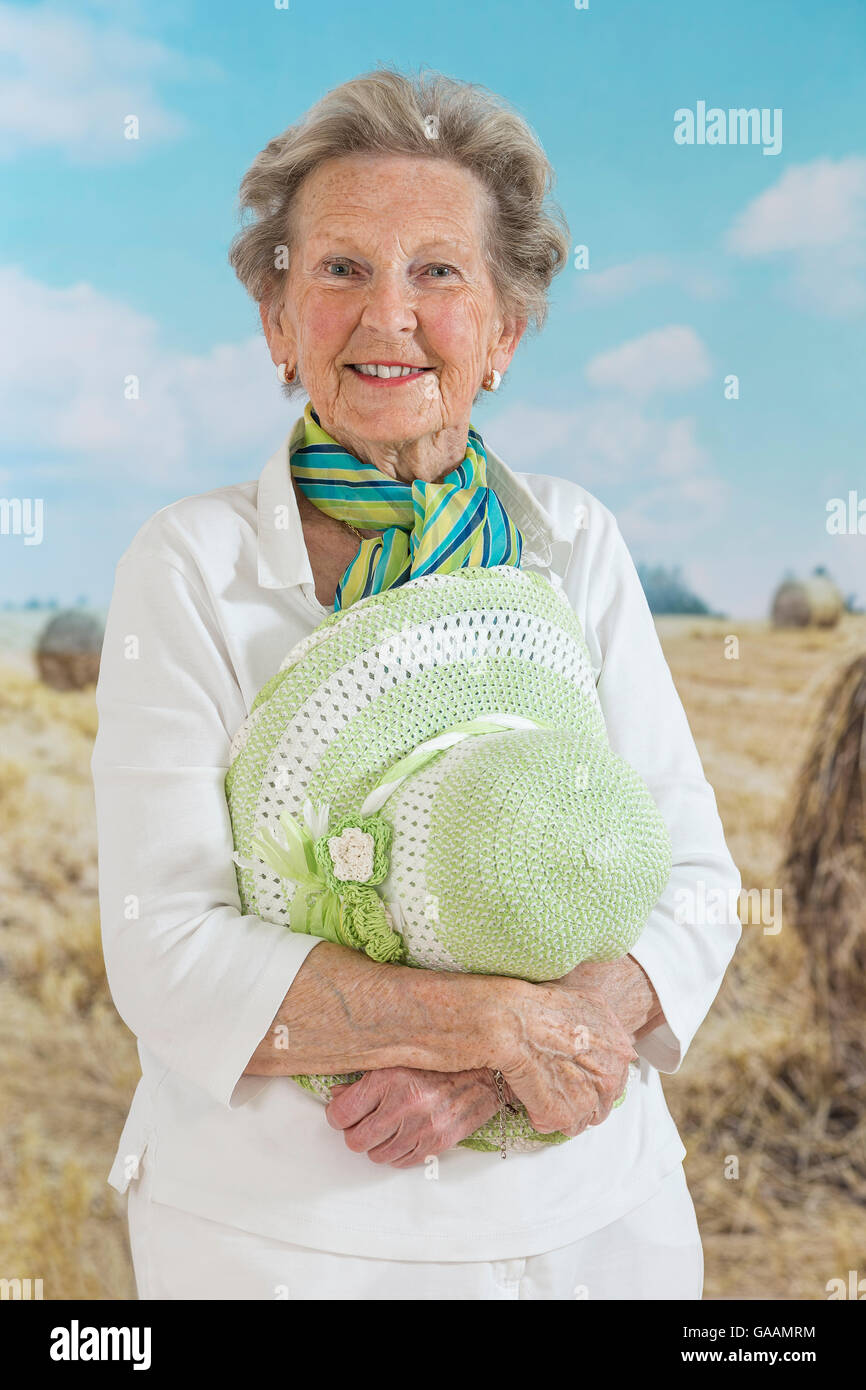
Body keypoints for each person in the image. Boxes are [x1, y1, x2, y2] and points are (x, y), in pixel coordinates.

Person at [91, 66, 741, 1301]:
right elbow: (165, 948)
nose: (386, 315)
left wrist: (495, 1066)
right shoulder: (188, 564)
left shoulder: (574, 543)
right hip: (287, 1242)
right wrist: (489, 1024)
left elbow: (697, 885)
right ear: (277, 323)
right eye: (337, 269)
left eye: (437, 272)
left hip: (596, 1223)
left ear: (502, 331)